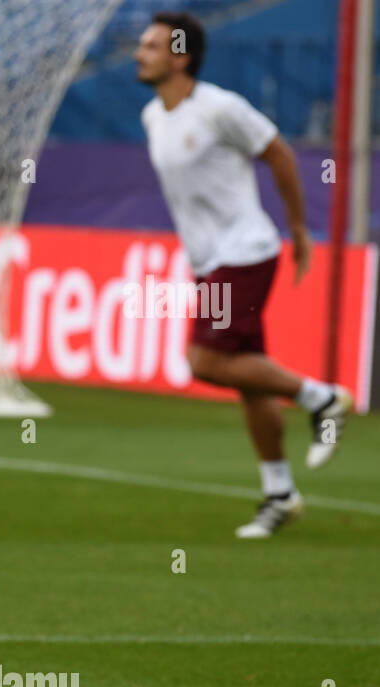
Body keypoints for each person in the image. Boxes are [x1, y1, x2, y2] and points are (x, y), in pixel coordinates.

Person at [135, 11, 352, 539]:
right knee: (247, 377)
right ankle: (280, 494)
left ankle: (321, 398)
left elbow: (279, 153)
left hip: (246, 251)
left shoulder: (220, 107)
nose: (140, 53)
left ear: (181, 56)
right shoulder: (152, 115)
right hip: (210, 262)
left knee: (205, 361)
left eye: (152, 45)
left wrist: (297, 229)